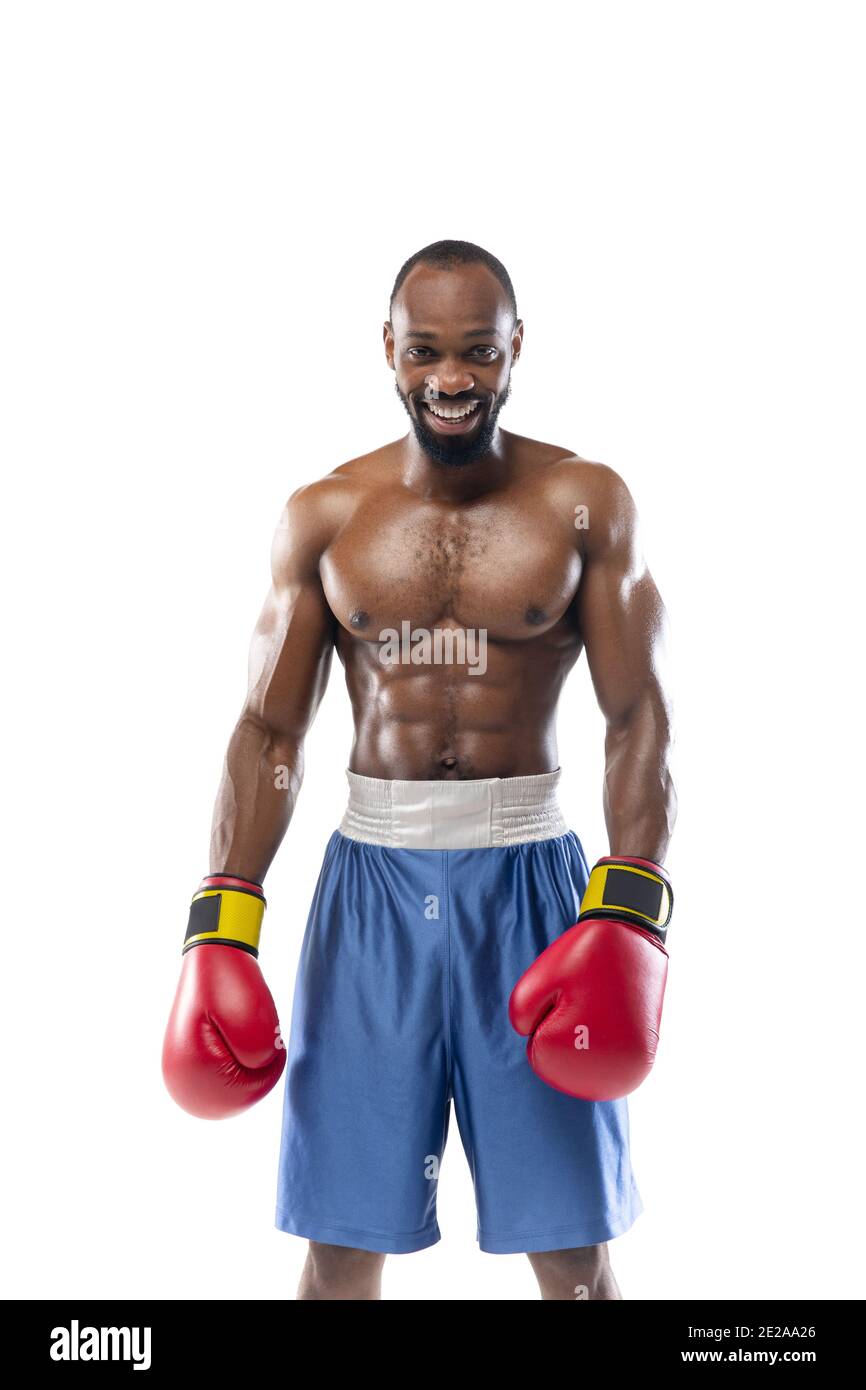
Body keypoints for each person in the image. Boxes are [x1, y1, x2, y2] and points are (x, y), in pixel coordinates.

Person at [163, 239, 677, 1301]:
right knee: (343, 1241)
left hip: (532, 883)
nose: (451, 379)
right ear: (388, 349)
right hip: (371, 896)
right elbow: (268, 730)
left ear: (515, 350)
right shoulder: (326, 515)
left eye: (478, 353)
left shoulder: (585, 502)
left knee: (571, 1249)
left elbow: (637, 716)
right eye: (428, 351)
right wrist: (223, 918)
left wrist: (627, 911)